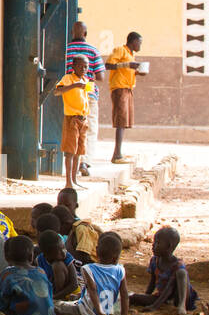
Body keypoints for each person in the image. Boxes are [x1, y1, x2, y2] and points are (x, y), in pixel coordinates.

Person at [0, 236, 55, 315]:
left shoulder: (7, 274)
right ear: (31, 256)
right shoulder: (41, 271)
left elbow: (0, 306)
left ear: (6, 257)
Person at [42, 54, 93, 189]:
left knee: (78, 152)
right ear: (73, 66)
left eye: (86, 66)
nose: (84, 69)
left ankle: (75, 180)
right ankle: (68, 182)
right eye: (81, 66)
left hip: (83, 119)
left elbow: (86, 97)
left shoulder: (85, 80)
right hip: (72, 119)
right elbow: (57, 92)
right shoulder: (68, 78)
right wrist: (75, 85)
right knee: (70, 151)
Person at [55, 232, 128, 315]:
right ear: (116, 257)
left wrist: (100, 312)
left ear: (96, 251)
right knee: (77, 298)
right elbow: (124, 294)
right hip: (110, 312)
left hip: (89, 312)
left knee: (56, 305)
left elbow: (93, 291)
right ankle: (77, 299)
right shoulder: (120, 270)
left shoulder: (88, 269)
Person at [64, 20, 106, 170]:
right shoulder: (93, 51)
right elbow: (101, 77)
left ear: (72, 33)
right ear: (85, 34)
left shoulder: (65, 50)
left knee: (71, 128)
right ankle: (84, 162)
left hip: (69, 96)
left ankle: (72, 160)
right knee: (90, 127)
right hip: (88, 94)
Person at [128, 226, 195, 315]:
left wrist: (154, 306)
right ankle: (162, 303)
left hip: (178, 297)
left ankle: (182, 306)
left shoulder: (177, 265)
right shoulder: (154, 261)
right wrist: (145, 297)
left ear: (169, 246)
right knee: (132, 297)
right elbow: (152, 283)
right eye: (154, 242)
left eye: (157, 243)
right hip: (162, 298)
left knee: (181, 272)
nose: (153, 245)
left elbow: (169, 289)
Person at [105, 32, 143, 164]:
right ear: (132, 41)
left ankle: (118, 152)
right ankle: (117, 155)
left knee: (124, 122)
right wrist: (127, 65)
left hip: (128, 89)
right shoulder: (120, 50)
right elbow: (108, 65)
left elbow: (125, 70)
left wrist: (136, 72)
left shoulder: (131, 55)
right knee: (120, 121)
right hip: (119, 88)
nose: (140, 46)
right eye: (139, 42)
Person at [35, 230, 80, 300]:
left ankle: (59, 298)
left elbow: (74, 284)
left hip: (69, 292)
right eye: (59, 251)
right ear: (47, 254)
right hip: (52, 291)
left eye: (64, 248)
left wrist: (54, 297)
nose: (63, 252)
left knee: (57, 265)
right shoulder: (39, 260)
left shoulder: (67, 257)